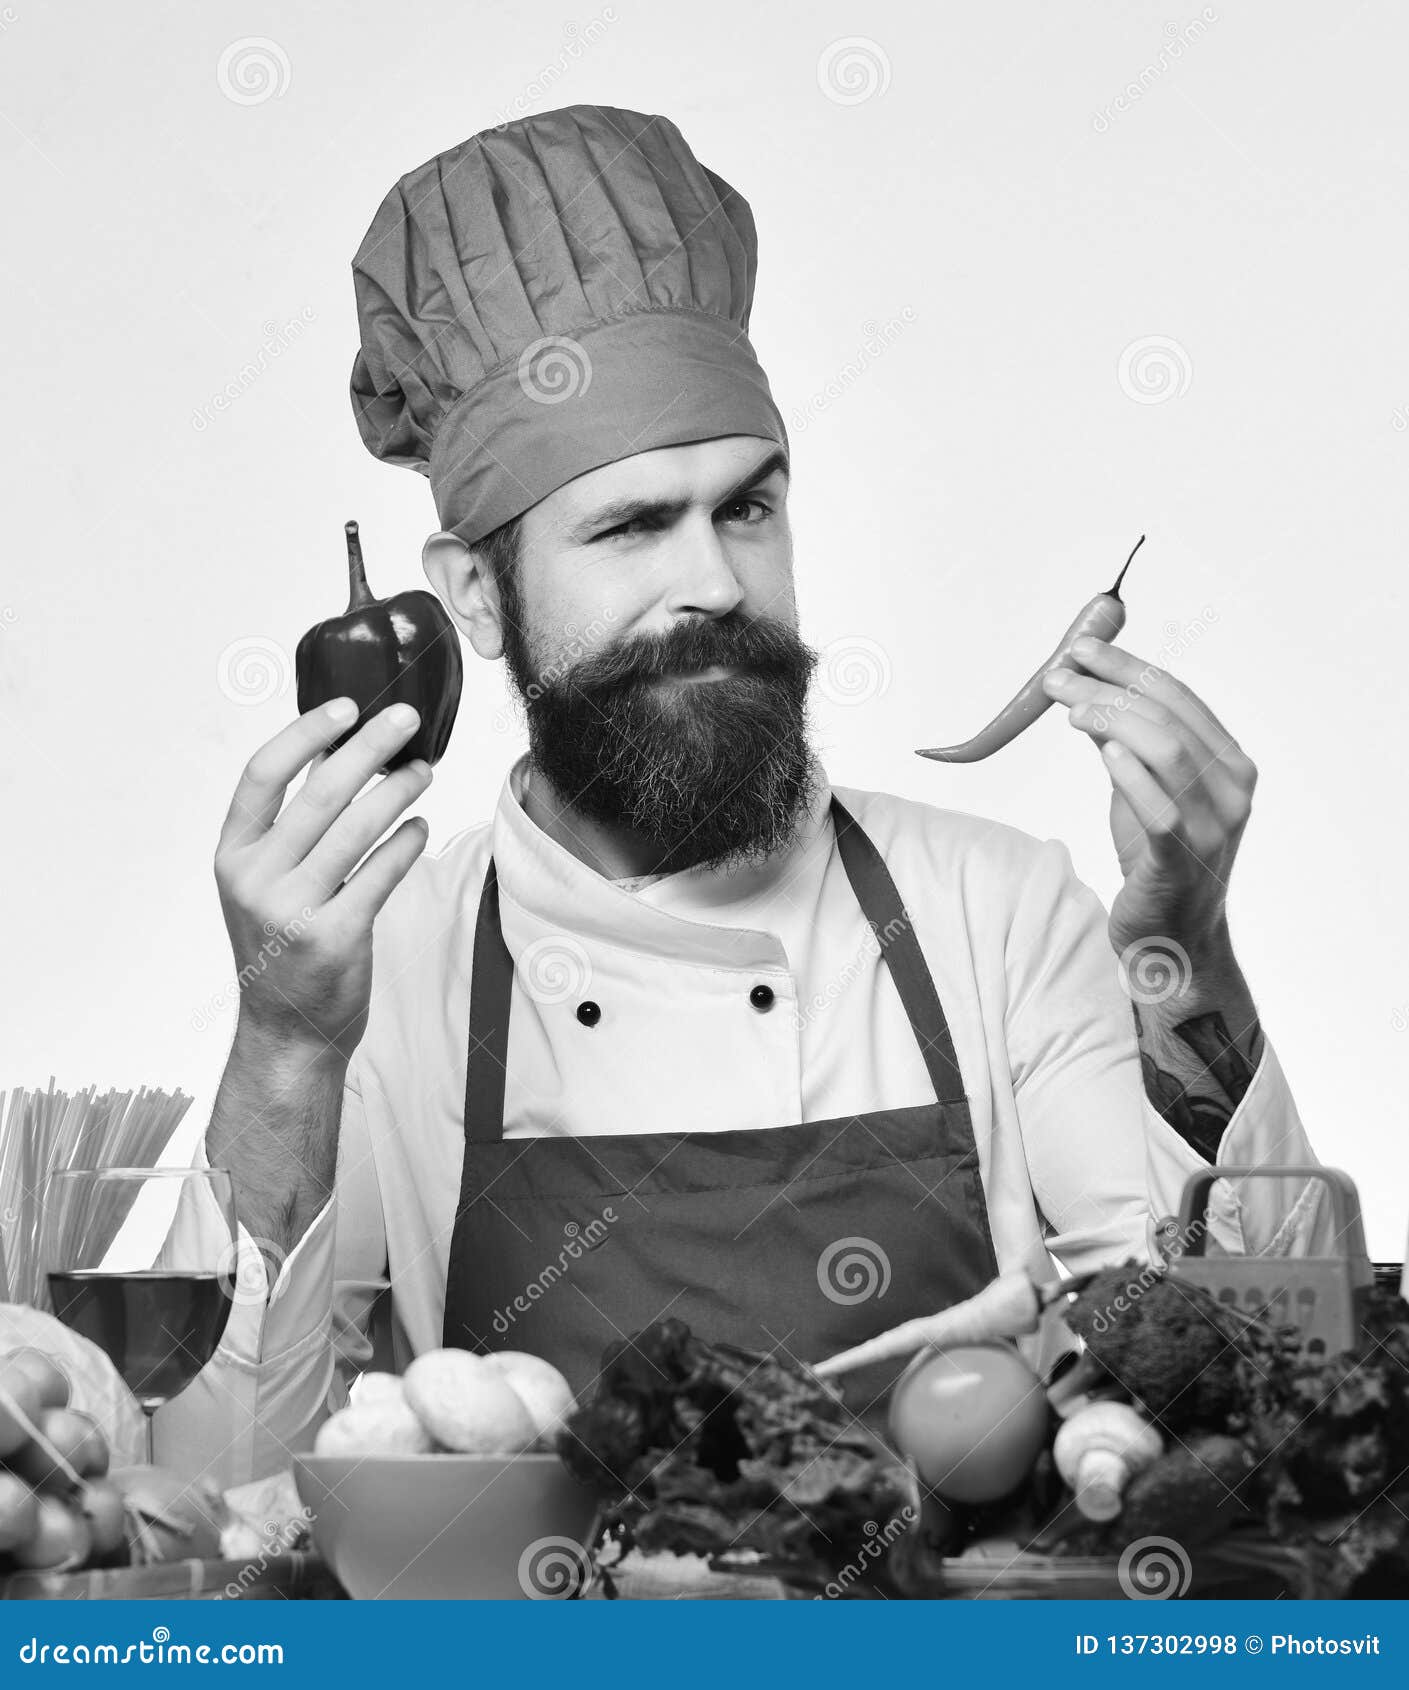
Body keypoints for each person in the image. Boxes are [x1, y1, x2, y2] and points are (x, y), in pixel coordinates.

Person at [161, 106, 1333, 1486]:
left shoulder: (993, 909)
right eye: (633, 526)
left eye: (748, 508)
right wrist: (287, 1046)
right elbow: (206, 1482)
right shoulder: (389, 958)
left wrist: (1185, 957)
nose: (714, 581)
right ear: (472, 591)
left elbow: (1259, 1390)